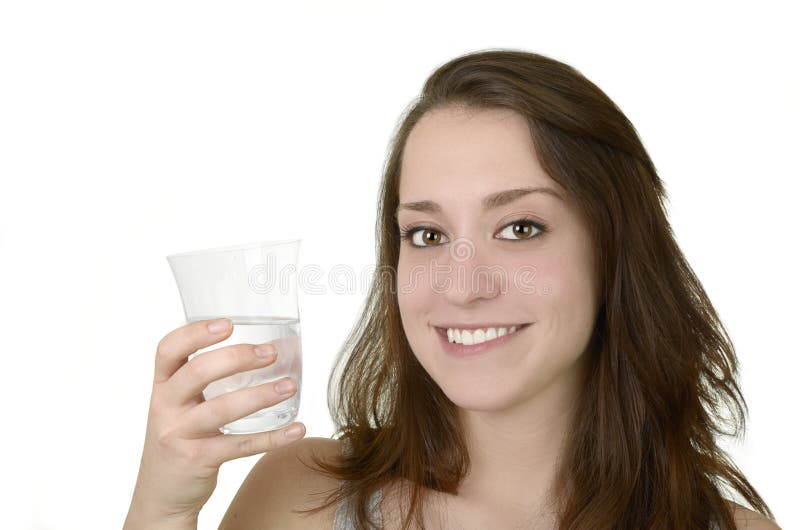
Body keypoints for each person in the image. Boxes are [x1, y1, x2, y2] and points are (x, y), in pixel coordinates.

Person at [124, 49, 782, 530]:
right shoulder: (302, 499)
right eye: (427, 235)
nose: (462, 288)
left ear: (614, 253)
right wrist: (162, 509)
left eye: (520, 227)